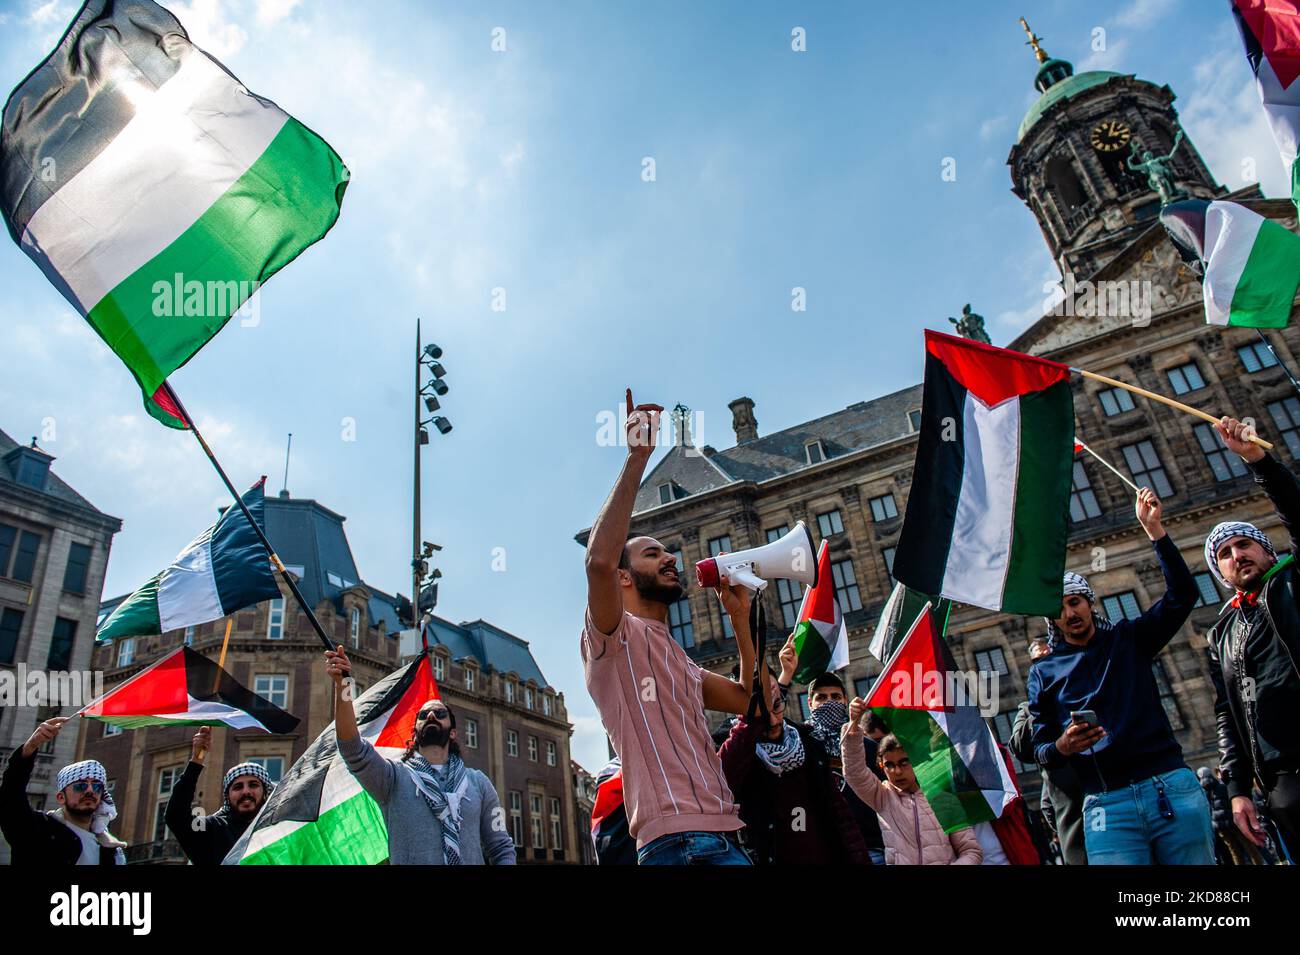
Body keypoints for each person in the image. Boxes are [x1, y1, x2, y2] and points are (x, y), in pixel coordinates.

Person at [583, 389, 758, 865]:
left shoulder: (678, 656)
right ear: (624, 577)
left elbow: (749, 702)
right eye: (653, 553)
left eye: (669, 552)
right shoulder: (613, 640)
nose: (671, 558)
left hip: (727, 836)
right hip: (675, 845)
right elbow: (597, 560)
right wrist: (637, 459)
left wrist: (740, 622)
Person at [1027, 487, 1213, 865]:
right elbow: (1039, 749)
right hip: (1106, 802)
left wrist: (1155, 532)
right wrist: (1063, 746)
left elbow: (1183, 595)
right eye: (1058, 609)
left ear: (1089, 603)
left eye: (1075, 602)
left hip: (1169, 783)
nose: (1069, 614)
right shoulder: (1043, 672)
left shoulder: (1128, 640)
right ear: (1051, 620)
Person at [1203, 416, 1300, 859]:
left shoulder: (1292, 581)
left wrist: (1257, 460)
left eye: (1245, 544)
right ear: (1219, 572)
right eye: (1225, 553)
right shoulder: (1222, 631)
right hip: (1283, 779)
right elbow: (1229, 711)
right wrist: (1239, 788)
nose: (1237, 554)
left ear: (1268, 550)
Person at [326, 645, 515, 864]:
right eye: (424, 714)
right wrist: (344, 684)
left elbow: (502, 847)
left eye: (440, 713)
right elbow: (352, 749)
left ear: (453, 732)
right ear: (414, 731)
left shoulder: (480, 784)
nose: (432, 714)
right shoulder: (392, 779)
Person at [717, 639, 870, 864]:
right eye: (762, 708)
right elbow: (723, 779)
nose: (772, 717)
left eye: (777, 704)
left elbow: (840, 815)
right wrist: (750, 721)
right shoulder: (733, 743)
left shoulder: (807, 740)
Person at [840, 698, 982, 864]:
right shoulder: (882, 797)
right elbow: (854, 772)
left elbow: (971, 852)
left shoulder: (944, 800)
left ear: (916, 761)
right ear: (881, 766)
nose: (897, 771)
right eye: (889, 765)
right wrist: (853, 726)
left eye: (904, 762)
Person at [0, 716, 126, 865]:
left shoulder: (111, 851)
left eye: (97, 786)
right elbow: (10, 798)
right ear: (61, 797)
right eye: (81, 786)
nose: (90, 790)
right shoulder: (37, 830)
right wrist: (30, 747)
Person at [1011, 639, 1088, 865]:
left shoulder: (1084, 692)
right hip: (1073, 817)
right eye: (1037, 661)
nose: (1044, 664)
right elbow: (1019, 748)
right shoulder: (1028, 709)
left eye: (1048, 657)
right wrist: (1041, 704)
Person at [802, 669, 887, 865]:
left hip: (871, 847)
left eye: (836, 697)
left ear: (845, 700)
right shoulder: (800, 746)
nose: (829, 702)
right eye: (821, 697)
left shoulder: (867, 746)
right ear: (810, 704)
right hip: (825, 848)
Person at [164, 726, 274, 865]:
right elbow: (176, 816)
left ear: (265, 793)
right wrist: (197, 759)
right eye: (238, 787)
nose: (246, 791)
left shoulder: (278, 831)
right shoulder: (212, 830)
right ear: (227, 797)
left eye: (253, 785)